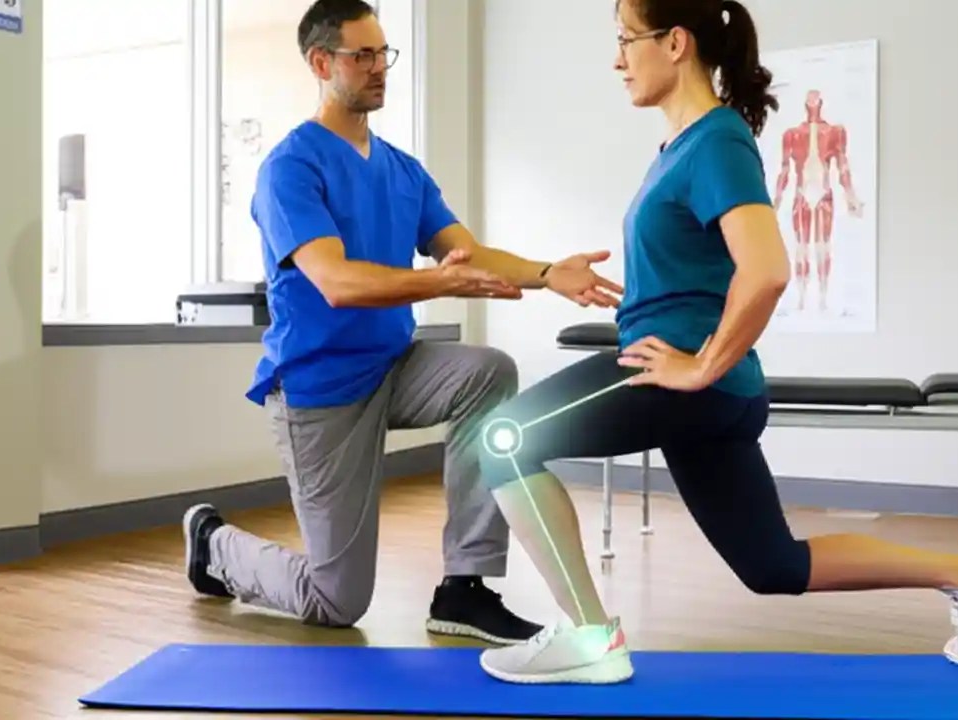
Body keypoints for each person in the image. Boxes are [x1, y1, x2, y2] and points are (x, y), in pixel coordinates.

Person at [473, 0, 958, 684]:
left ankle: (590, 639)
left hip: (681, 380)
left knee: (502, 437)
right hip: (711, 393)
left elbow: (766, 268)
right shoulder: (686, 146)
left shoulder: (715, 140)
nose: (616, 58)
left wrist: (699, 364)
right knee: (774, 565)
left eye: (625, 40)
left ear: (675, 42)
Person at [179, 0, 625, 647]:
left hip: (393, 366)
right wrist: (441, 282)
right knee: (337, 601)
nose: (379, 68)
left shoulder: (401, 170)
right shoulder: (290, 168)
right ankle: (214, 544)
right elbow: (335, 281)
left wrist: (548, 270)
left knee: (488, 373)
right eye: (362, 55)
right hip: (320, 389)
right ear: (321, 62)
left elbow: (462, 249)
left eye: (383, 53)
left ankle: (464, 588)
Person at [773, 89, 864, 313]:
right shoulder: (792, 134)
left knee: (822, 247)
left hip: (823, 193)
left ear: (821, 103)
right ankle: (802, 297)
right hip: (802, 193)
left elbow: (843, 166)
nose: (812, 103)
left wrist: (850, 195)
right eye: (809, 100)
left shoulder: (834, 132)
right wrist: (776, 199)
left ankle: (823, 297)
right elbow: (785, 170)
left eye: (816, 100)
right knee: (802, 247)